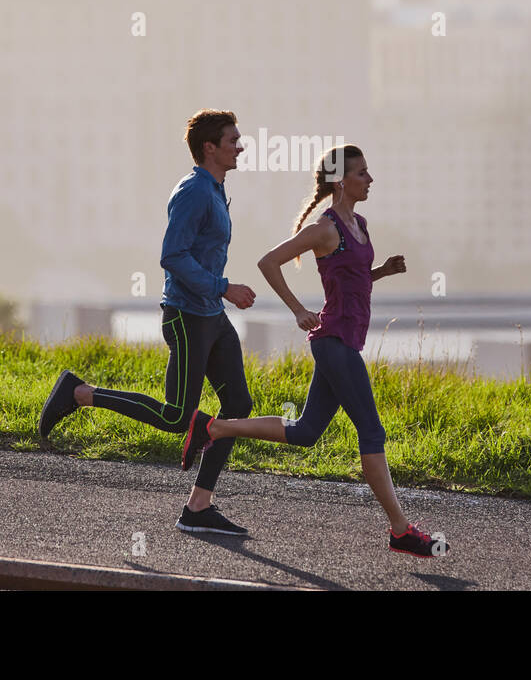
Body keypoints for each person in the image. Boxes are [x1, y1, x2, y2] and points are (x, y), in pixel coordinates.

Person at [180, 144, 450, 557]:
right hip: (334, 343)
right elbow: (269, 261)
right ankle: (400, 530)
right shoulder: (325, 229)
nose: (370, 179)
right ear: (342, 180)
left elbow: (353, 280)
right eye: (362, 173)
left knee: (306, 432)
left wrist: (382, 272)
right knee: (372, 431)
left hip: (343, 340)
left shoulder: (359, 223)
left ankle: (213, 428)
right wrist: (298, 309)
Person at [39, 109, 256, 536]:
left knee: (239, 406)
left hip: (212, 316)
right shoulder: (195, 192)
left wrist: (219, 293)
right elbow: (172, 256)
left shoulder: (215, 188)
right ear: (210, 148)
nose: (240, 146)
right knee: (177, 416)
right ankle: (79, 393)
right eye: (233, 140)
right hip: (188, 316)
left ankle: (198, 506)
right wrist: (224, 286)